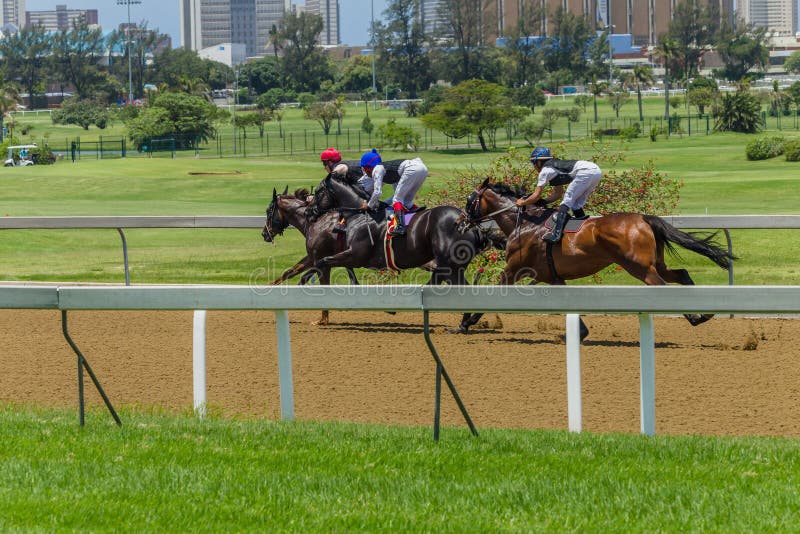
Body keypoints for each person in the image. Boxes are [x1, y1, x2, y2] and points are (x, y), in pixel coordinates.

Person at [516, 146, 602, 243]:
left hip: (585, 172)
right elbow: (558, 194)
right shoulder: (554, 168)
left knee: (567, 200)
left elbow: (536, 195)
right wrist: (544, 201)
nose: (534, 166)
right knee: (575, 204)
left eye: (534, 163)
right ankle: (582, 228)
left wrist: (522, 202)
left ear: (539, 162)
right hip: (596, 170)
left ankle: (556, 234)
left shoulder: (545, 171)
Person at [359, 149, 428, 237]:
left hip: (412, 169)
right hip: (423, 168)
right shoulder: (392, 174)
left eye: (364, 169)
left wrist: (369, 206)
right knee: (406, 201)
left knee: (397, 199)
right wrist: (385, 203)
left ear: (367, 168)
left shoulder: (377, 169)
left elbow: (377, 192)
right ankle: (420, 216)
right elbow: (396, 195)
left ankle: (400, 227)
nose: (365, 173)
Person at [319, 148, 361, 233]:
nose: (324, 167)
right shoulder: (342, 165)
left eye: (324, 163)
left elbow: (328, 184)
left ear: (330, 162)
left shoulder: (338, 169)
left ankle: (344, 224)